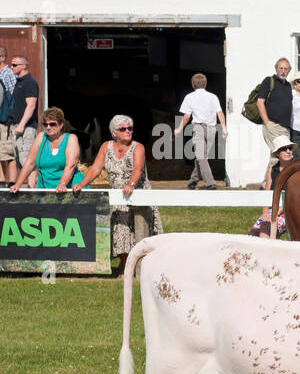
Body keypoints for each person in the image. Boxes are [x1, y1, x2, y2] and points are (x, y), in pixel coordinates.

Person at [74, 114, 162, 272]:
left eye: (130, 128)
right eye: (123, 129)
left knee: (142, 233)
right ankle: (124, 267)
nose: (128, 131)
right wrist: (81, 184)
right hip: (118, 197)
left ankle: (144, 269)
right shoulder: (106, 147)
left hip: (138, 194)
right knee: (120, 231)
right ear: (114, 133)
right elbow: (95, 168)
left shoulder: (138, 147)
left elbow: (138, 169)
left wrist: (131, 184)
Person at [9, 107, 82, 192]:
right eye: (45, 124)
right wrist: (18, 184)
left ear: (61, 125)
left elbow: (71, 165)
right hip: (45, 190)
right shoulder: (41, 137)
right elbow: (29, 163)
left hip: (70, 189)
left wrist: (62, 184)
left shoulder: (71, 138)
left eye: (52, 124)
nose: (48, 127)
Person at [175, 72, 226, 189]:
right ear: (205, 84)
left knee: (201, 157)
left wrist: (179, 128)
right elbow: (220, 112)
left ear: (193, 84)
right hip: (212, 129)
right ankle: (193, 180)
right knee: (202, 157)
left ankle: (210, 182)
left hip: (198, 128)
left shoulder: (189, 97)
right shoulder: (213, 97)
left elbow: (187, 116)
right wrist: (223, 127)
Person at [250, 136, 296, 237]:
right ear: (277, 153)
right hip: (273, 210)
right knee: (253, 233)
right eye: (284, 149)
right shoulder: (272, 170)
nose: (288, 151)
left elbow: (294, 196)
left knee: (265, 230)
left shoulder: (296, 169)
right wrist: (265, 213)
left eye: (290, 148)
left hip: (289, 211)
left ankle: (268, 251)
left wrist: (275, 213)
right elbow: (267, 193)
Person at [6, 54, 39, 187]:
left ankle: (32, 191)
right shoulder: (18, 82)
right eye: (11, 64)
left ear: (24, 66)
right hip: (17, 126)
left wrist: (21, 125)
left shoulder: (30, 82)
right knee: (19, 159)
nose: (11, 67)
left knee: (27, 159)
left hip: (27, 127)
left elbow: (31, 106)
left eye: (14, 65)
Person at [256, 58, 293, 150]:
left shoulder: (288, 86)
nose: (283, 71)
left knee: (283, 158)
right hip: (273, 125)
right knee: (278, 156)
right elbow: (260, 102)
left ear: (289, 70)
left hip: (286, 128)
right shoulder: (269, 81)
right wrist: (267, 123)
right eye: (281, 68)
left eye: (286, 69)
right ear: (276, 68)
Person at [0, 45, 16, 187]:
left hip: (5, 120)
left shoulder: (7, 74)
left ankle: (11, 184)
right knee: (1, 154)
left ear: (3, 57)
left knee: (8, 153)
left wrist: (12, 119)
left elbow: (13, 96)